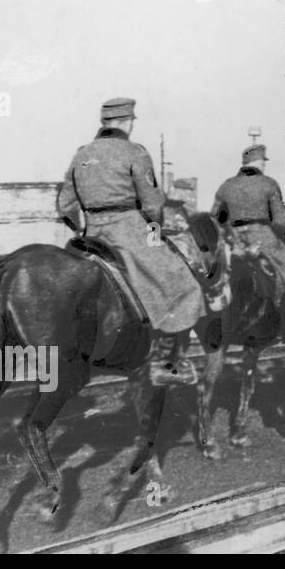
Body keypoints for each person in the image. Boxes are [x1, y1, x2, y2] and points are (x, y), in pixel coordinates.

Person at [56, 98, 205, 386]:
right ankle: (165, 362)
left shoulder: (81, 154)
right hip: (128, 229)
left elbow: (64, 206)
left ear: (105, 122)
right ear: (127, 122)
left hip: (90, 235)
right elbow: (152, 205)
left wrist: (81, 231)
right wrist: (154, 236)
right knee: (180, 282)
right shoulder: (135, 152)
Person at [210, 143, 285, 297]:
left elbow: (215, 219)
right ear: (259, 162)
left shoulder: (226, 186)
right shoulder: (268, 183)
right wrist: (283, 236)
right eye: (264, 162)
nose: (264, 165)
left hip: (233, 239)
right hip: (262, 237)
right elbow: (281, 221)